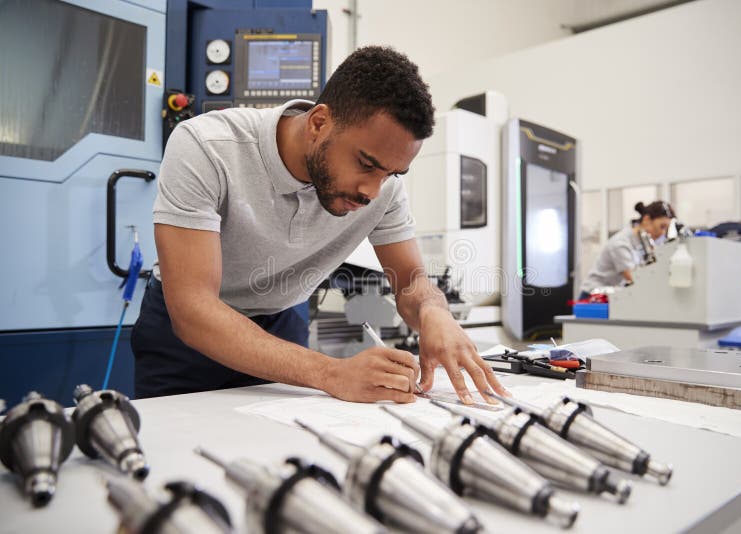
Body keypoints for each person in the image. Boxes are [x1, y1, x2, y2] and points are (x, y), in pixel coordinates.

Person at [131, 46, 508, 405]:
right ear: (319, 122)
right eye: (366, 164)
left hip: (280, 323)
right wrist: (330, 373)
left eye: (392, 173)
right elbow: (194, 309)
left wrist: (434, 312)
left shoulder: (385, 188)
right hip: (184, 339)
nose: (372, 192)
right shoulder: (207, 146)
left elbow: (410, 280)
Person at [578, 200, 675, 299]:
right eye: (662, 227)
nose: (662, 233)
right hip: (592, 297)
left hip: (613, 296)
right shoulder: (620, 243)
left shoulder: (643, 242)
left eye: (666, 229)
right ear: (646, 219)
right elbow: (635, 278)